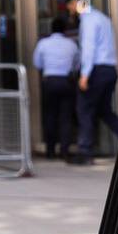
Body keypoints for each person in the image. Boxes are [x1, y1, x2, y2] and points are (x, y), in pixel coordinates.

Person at [70, 0, 118, 164]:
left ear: (76, 4)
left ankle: (85, 152)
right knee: (104, 111)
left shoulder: (88, 20)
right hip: (109, 70)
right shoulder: (103, 18)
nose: (70, 11)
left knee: (84, 110)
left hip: (96, 71)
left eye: (70, 6)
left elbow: (89, 48)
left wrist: (84, 75)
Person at [32, 16, 78, 160]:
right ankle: (64, 150)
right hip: (66, 81)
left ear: (51, 29)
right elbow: (77, 64)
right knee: (65, 118)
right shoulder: (71, 44)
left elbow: (37, 63)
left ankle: (50, 151)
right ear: (65, 30)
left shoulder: (43, 43)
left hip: (50, 81)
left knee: (50, 116)